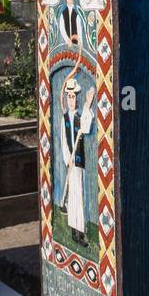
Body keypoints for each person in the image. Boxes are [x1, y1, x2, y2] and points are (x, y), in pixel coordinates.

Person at [60, 76, 95, 245]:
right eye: (69, 97)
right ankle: (74, 231)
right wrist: (67, 159)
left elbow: (86, 126)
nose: (72, 100)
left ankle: (80, 231)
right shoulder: (64, 118)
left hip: (80, 161)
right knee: (73, 196)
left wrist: (88, 103)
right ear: (66, 99)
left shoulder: (79, 116)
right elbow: (62, 140)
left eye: (74, 97)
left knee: (79, 195)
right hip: (71, 163)